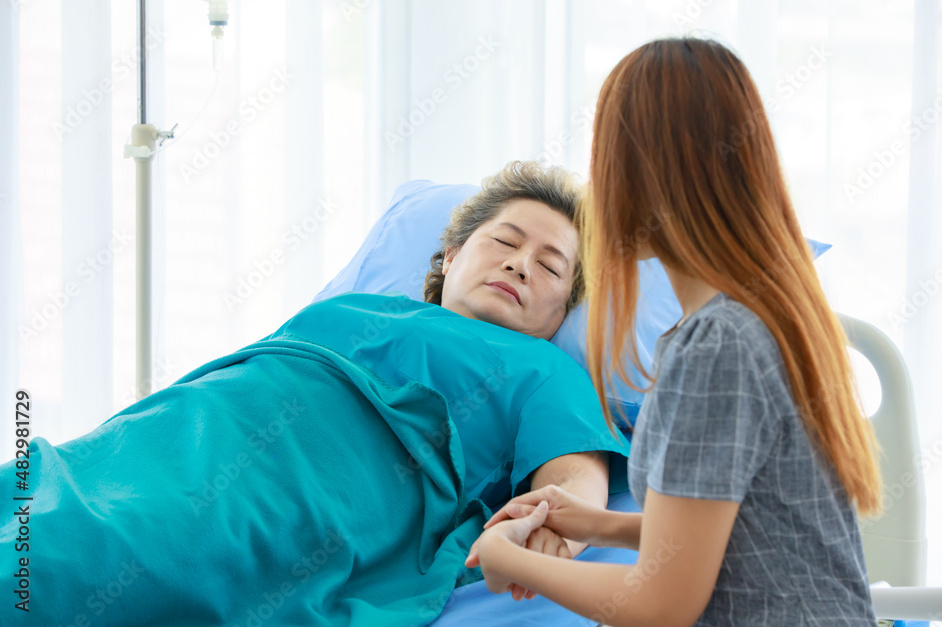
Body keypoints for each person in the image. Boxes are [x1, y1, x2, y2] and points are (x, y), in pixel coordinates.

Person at [0, 161, 628, 626]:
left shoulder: (545, 369)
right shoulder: (356, 307)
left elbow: (574, 481)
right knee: (49, 490)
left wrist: (553, 539)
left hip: (333, 474)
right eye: (505, 240)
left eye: (551, 265)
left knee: (100, 551)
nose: (521, 264)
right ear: (451, 254)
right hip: (203, 418)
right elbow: (247, 377)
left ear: (560, 312)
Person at [466, 38, 883, 625]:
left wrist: (512, 559)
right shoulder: (753, 318)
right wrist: (593, 521)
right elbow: (740, 533)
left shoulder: (718, 348)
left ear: (638, 173)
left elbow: (661, 603)